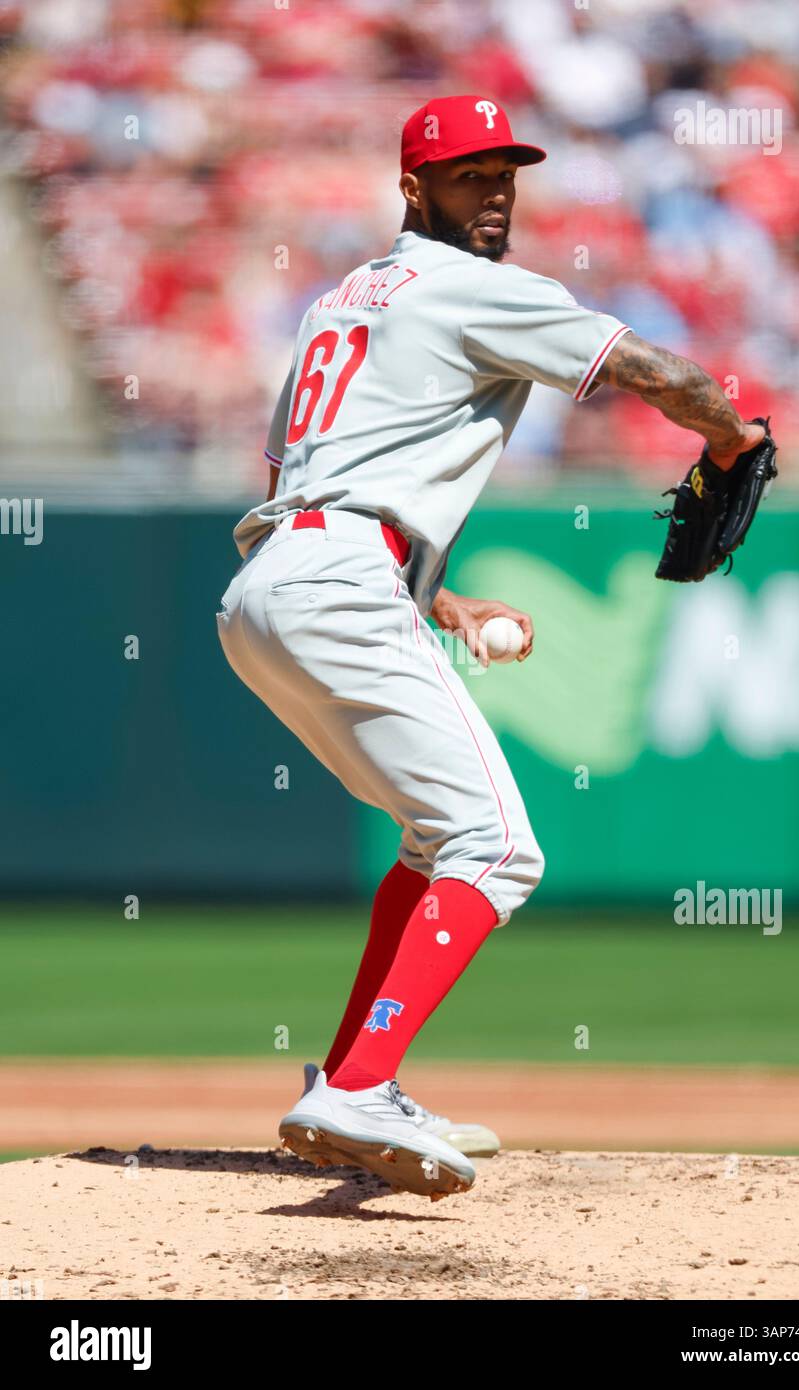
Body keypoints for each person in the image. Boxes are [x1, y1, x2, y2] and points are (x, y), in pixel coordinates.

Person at [217, 94, 766, 1201]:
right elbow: (649, 370)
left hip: (271, 585)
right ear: (413, 189)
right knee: (498, 848)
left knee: (434, 839)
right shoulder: (480, 288)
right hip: (335, 577)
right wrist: (730, 432)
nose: (496, 188)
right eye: (470, 174)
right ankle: (358, 1087)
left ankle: (351, 1076)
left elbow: (296, 481)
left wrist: (435, 589)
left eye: (505, 170)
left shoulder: (337, 302)